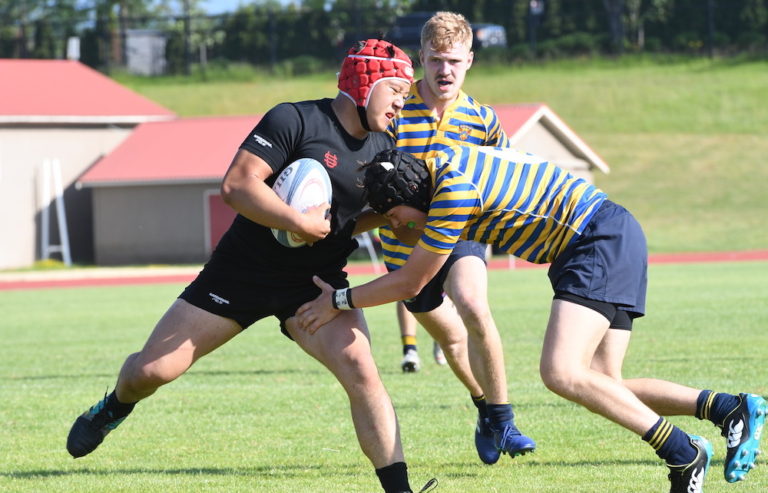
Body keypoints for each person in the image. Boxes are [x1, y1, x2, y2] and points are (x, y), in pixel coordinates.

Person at [65, 39, 435, 493]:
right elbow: (238, 185)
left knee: (362, 370)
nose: (403, 100)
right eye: (396, 88)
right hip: (242, 272)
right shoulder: (293, 119)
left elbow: (354, 218)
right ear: (365, 82)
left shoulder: (383, 144)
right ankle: (112, 408)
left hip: (315, 284)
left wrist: (401, 217)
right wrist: (297, 221)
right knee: (151, 372)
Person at [296, 145, 767, 492]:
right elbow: (393, 210)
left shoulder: (452, 196)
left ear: (412, 196)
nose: (397, 226)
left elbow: (410, 284)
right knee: (603, 383)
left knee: (561, 373)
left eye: (397, 216)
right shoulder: (433, 164)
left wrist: (338, 300)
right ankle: (729, 408)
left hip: (593, 241)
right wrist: (311, 225)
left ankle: (683, 455)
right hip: (610, 232)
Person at [383, 11, 535, 465]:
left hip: (460, 235)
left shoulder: (483, 120)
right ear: (420, 60)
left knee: (472, 304)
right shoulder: (394, 111)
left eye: (452, 60)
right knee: (450, 341)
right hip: (404, 248)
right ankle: (484, 408)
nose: (443, 71)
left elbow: (502, 179)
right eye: (434, 61)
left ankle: (505, 419)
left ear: (469, 60)